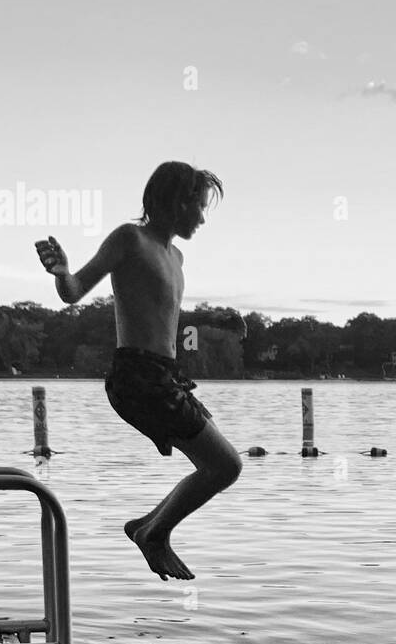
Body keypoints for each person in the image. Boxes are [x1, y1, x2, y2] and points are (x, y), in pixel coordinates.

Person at [36, 162, 243, 581]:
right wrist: (62, 274)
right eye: (199, 208)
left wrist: (214, 321)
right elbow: (74, 291)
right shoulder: (129, 239)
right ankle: (153, 533)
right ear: (178, 201)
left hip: (165, 377)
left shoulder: (177, 257)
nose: (202, 219)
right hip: (138, 378)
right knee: (226, 466)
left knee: (220, 466)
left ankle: (147, 528)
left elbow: (165, 316)